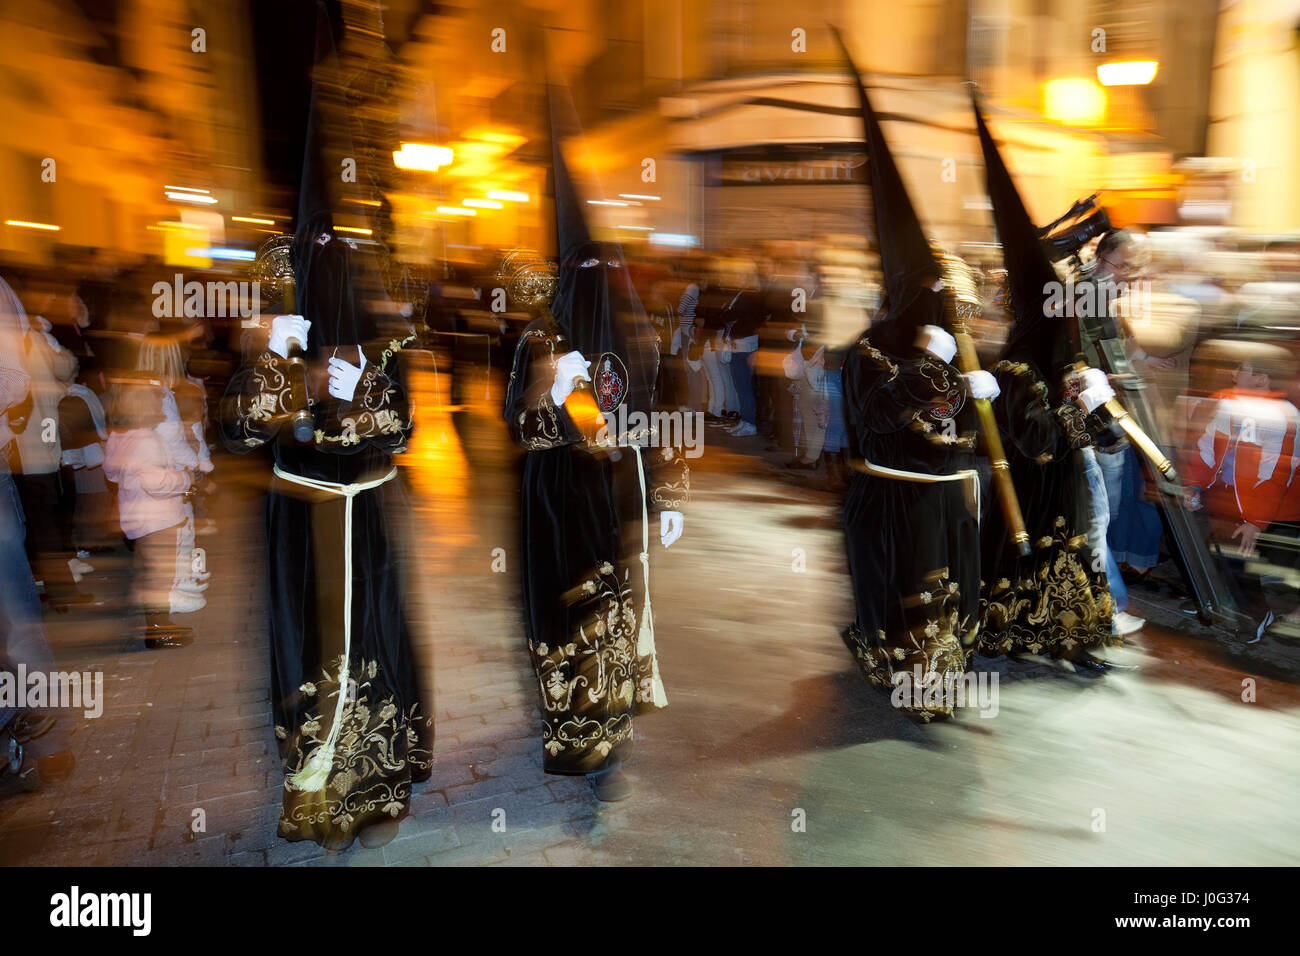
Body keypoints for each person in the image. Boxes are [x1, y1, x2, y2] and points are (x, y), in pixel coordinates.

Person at [220, 7, 431, 850]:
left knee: (374, 640)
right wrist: (276, 363)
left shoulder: (380, 328)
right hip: (304, 517)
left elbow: (403, 428)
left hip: (369, 514)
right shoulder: (274, 314)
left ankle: (374, 776)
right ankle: (308, 782)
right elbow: (238, 429)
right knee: (311, 650)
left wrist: (363, 391)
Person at [504, 82, 688, 799]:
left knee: (616, 610)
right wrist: (551, 391)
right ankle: (573, 734)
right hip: (559, 501)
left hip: (620, 498)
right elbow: (519, 426)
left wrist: (670, 493)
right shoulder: (542, 341)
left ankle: (612, 713)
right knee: (571, 611)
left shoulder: (635, 338)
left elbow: (662, 413)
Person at [833, 34, 996, 719]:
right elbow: (880, 418)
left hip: (944, 494)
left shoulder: (954, 347)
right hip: (894, 501)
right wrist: (942, 375)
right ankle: (908, 679)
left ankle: (942, 675)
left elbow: (965, 419)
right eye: (935, 298)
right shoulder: (868, 350)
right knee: (906, 596)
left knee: (947, 595)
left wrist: (979, 387)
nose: (950, 313)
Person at [971, 94, 1114, 671]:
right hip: (1032, 487)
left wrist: (1096, 407)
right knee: (1030, 560)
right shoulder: (1018, 368)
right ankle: (1022, 634)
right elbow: (1036, 438)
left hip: (1062, 486)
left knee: (1073, 555)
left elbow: (1087, 427)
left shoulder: (1057, 360)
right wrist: (1077, 413)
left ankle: (1070, 635)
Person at [1184, 344, 1300, 640]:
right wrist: (1193, 484)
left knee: (1237, 558)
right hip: (1229, 494)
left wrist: (1254, 521)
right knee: (1211, 550)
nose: (1234, 373)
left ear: (1261, 379)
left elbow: (1275, 476)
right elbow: (1206, 444)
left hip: (1270, 506)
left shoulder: (1284, 416)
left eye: (1242, 369)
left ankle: (1254, 615)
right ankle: (1214, 599)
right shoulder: (1226, 401)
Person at [103, 378, 196, 647]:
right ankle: (158, 631)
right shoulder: (148, 440)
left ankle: (158, 625)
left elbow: (112, 472)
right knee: (159, 576)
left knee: (149, 572)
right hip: (157, 519)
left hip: (137, 517)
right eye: (157, 399)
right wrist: (185, 478)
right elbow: (155, 482)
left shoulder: (120, 437)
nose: (162, 404)